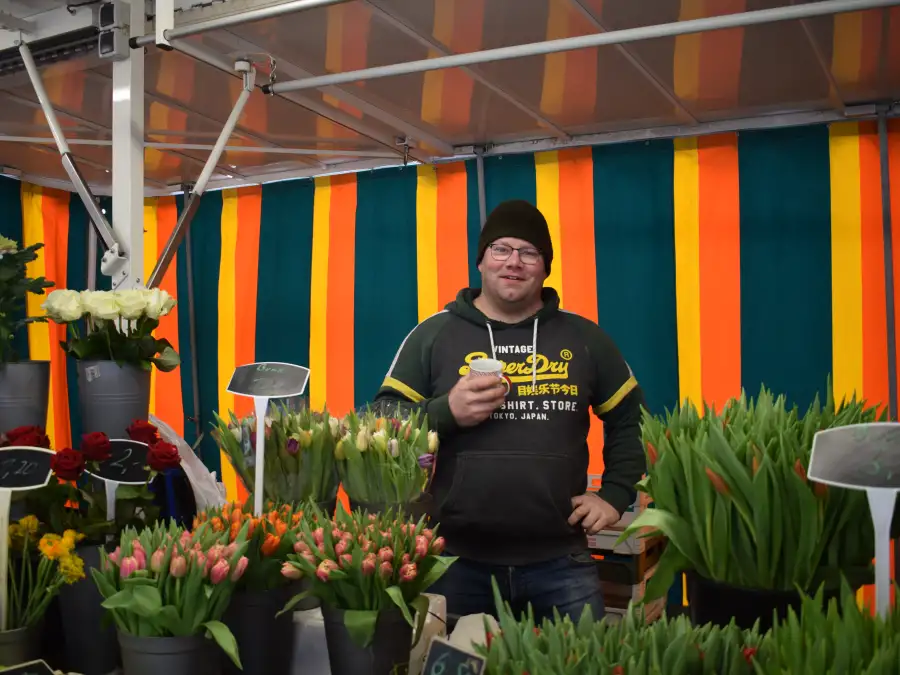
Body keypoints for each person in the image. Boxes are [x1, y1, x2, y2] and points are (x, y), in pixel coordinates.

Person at [373, 199, 646, 623]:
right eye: (501, 249)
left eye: (529, 252)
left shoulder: (584, 337)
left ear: (545, 266)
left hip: (561, 562)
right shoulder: (434, 334)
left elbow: (631, 417)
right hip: (454, 561)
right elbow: (380, 420)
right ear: (480, 261)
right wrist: (446, 412)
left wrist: (614, 495)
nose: (513, 262)